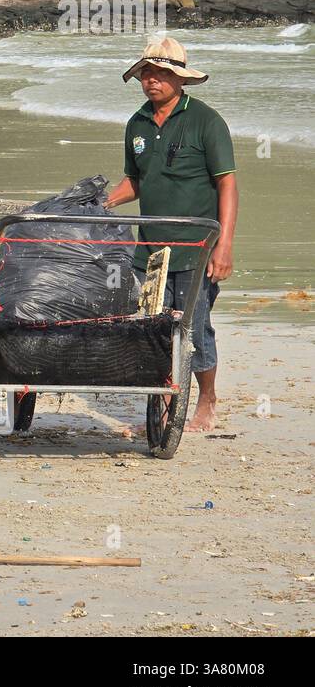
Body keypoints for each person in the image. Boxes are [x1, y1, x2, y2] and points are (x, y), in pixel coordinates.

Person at [104, 36, 238, 434]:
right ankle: (162, 404)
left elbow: (227, 184)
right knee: (153, 328)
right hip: (148, 251)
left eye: (163, 74)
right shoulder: (137, 124)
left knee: (194, 326)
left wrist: (224, 245)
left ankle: (207, 399)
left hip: (197, 248)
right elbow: (136, 182)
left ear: (180, 80)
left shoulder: (206, 121)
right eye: (148, 73)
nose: (153, 81)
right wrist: (103, 203)